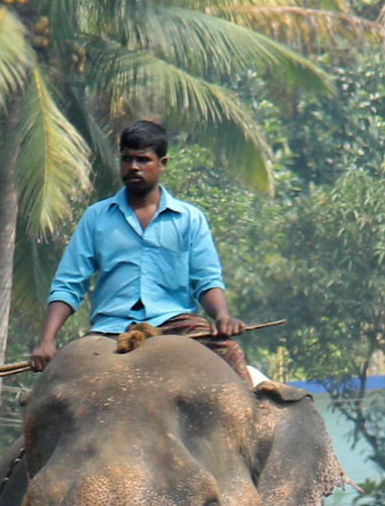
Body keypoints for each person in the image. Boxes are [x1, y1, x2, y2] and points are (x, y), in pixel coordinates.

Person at [30, 119, 248, 378]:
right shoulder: (96, 217)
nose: (133, 167)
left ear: (162, 163)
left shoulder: (189, 218)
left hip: (176, 325)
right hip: (109, 331)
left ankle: (257, 417)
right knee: (61, 384)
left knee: (230, 356)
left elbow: (206, 279)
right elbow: (69, 283)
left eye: (143, 160)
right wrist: (46, 340)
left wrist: (223, 316)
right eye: (126, 159)